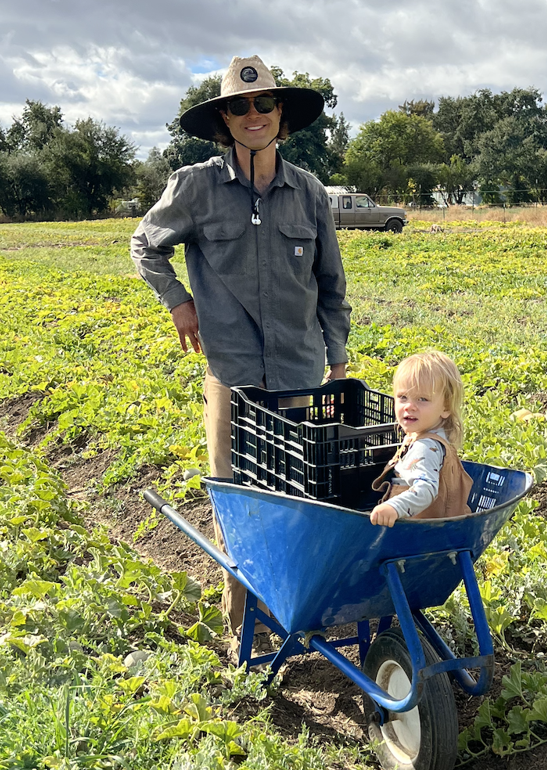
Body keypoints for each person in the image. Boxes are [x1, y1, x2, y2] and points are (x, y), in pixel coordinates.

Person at [130, 55, 351, 640]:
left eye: (263, 104)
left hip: (302, 374)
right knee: (236, 500)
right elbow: (144, 245)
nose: (252, 115)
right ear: (225, 120)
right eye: (239, 106)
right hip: (232, 375)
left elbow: (332, 284)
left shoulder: (307, 194)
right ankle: (242, 628)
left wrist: (338, 357)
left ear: (280, 114)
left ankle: (298, 611)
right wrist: (179, 301)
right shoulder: (195, 187)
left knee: (304, 495)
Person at [370, 352, 474, 526]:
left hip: (418, 534)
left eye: (422, 399)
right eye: (403, 397)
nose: (409, 406)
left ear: (446, 407)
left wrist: (394, 507)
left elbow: (425, 491)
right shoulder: (427, 436)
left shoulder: (425, 447)